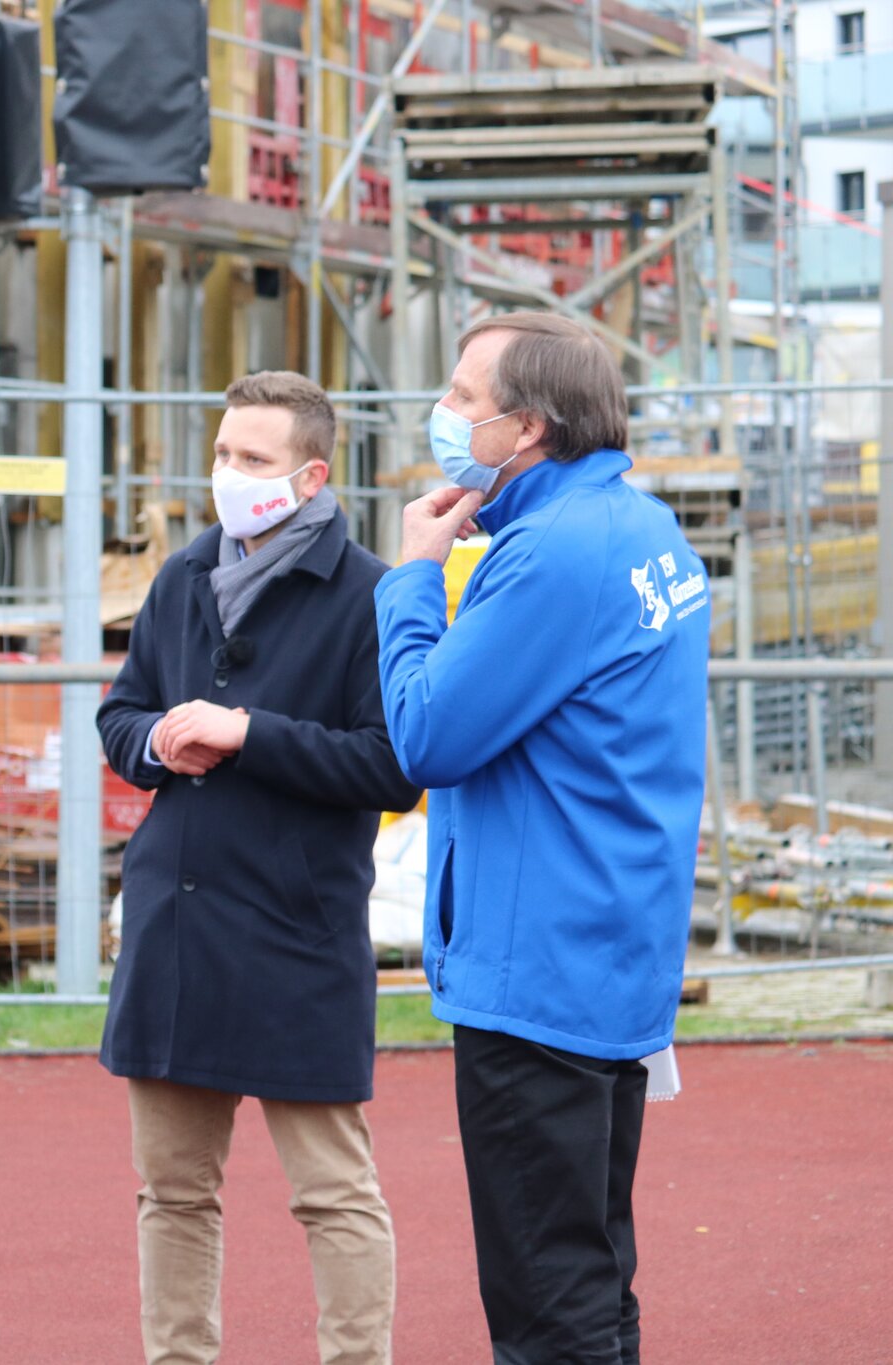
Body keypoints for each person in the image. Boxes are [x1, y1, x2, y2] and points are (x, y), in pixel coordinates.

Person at [374, 312, 710, 1364]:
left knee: (544, 1297)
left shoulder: (549, 555)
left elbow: (426, 733)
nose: (444, 415)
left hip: (535, 964)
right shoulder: (643, 528)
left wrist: (412, 580)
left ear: (522, 428)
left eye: (462, 400)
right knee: (592, 1269)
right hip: (610, 944)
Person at [97, 370, 423, 1365]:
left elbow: (393, 764)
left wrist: (249, 734)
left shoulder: (370, 593)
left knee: (331, 1190)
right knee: (172, 1191)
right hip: (174, 925)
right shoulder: (181, 576)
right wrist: (155, 741)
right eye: (221, 453)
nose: (226, 476)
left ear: (311, 475)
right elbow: (119, 716)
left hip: (295, 926)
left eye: (251, 460)